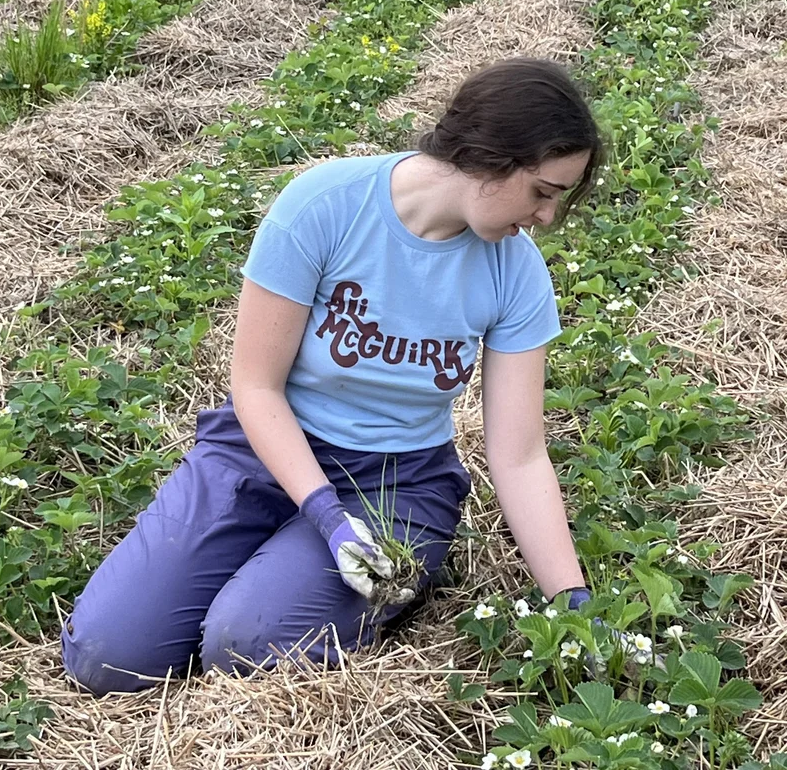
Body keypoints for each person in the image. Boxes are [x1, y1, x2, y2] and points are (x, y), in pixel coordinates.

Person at [61, 58, 603, 696]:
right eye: (542, 191)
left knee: (247, 643)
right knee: (108, 657)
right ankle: (278, 556)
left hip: (396, 482)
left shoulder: (515, 273)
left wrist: (575, 605)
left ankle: (340, 576)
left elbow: (518, 456)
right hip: (260, 451)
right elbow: (257, 387)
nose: (545, 218)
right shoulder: (325, 207)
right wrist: (322, 514)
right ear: (489, 155)